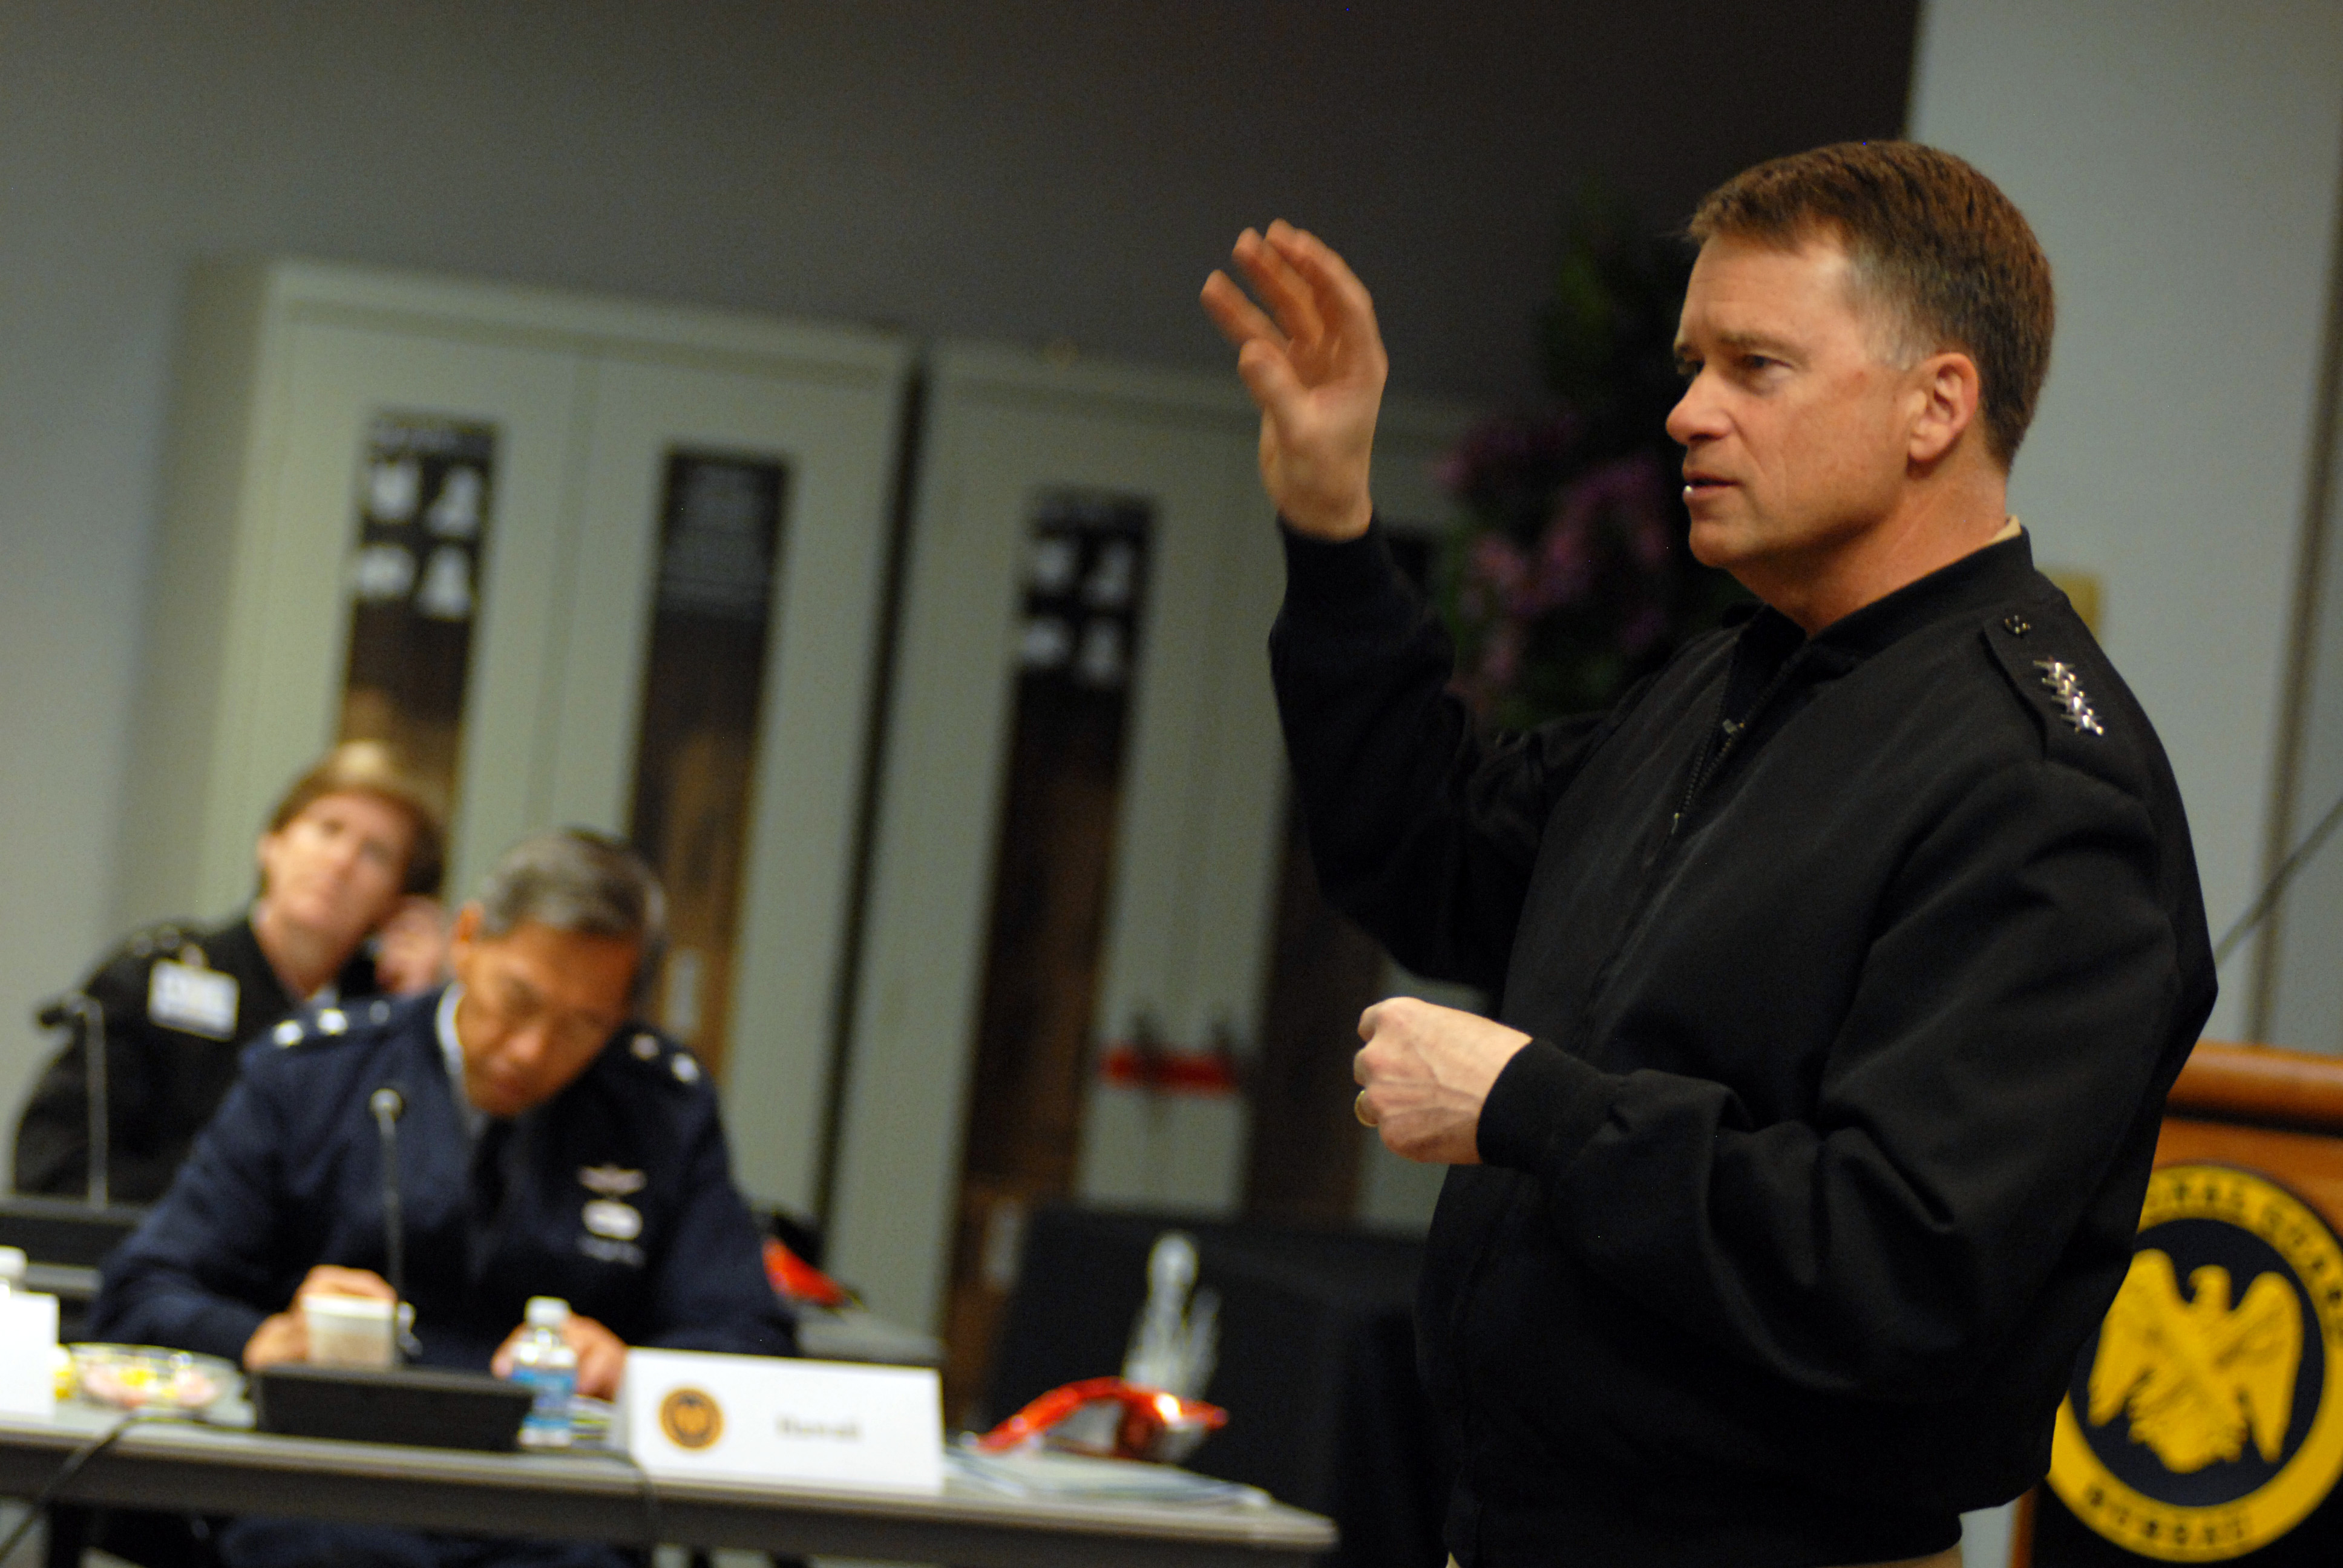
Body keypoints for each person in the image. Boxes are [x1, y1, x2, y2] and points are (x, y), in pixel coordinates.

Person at [1202, 142, 2215, 1567]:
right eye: (1692, 365)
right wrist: (1329, 520)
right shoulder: (1741, 679)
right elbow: (1428, 852)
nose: (1687, 413)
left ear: (1938, 405)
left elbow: (1896, 1266)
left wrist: (1535, 1107)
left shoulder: (2041, 787)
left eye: (1756, 367)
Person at [94, 828, 793, 1568]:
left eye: (582, 1025)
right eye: (517, 1001)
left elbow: (746, 1339)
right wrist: (266, 1340)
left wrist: (630, 1370)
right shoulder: (314, 1077)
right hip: (326, 1498)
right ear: (466, 940)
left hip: (557, 1516)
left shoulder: (659, 1110)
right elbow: (142, 1292)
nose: (530, 1051)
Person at [13, 740, 445, 1203]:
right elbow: (51, 1166)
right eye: (328, 828)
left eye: (375, 853)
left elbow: (423, 1204)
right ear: (272, 844)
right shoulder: (161, 978)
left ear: (398, 901)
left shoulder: (386, 1022)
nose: (341, 862)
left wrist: (419, 1021)